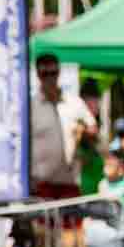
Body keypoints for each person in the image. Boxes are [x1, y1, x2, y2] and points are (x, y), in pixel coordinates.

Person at [30, 53, 98, 200]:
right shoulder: (31, 106)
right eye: (44, 74)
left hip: (70, 178)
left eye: (53, 73)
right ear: (38, 74)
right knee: (42, 223)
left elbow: (93, 128)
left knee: (71, 222)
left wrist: (83, 131)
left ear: (59, 72)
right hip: (41, 181)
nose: (49, 78)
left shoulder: (74, 102)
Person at [78, 78, 106, 198]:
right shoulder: (75, 124)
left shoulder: (97, 128)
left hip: (97, 190)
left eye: (95, 101)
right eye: (88, 101)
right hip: (80, 190)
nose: (92, 105)